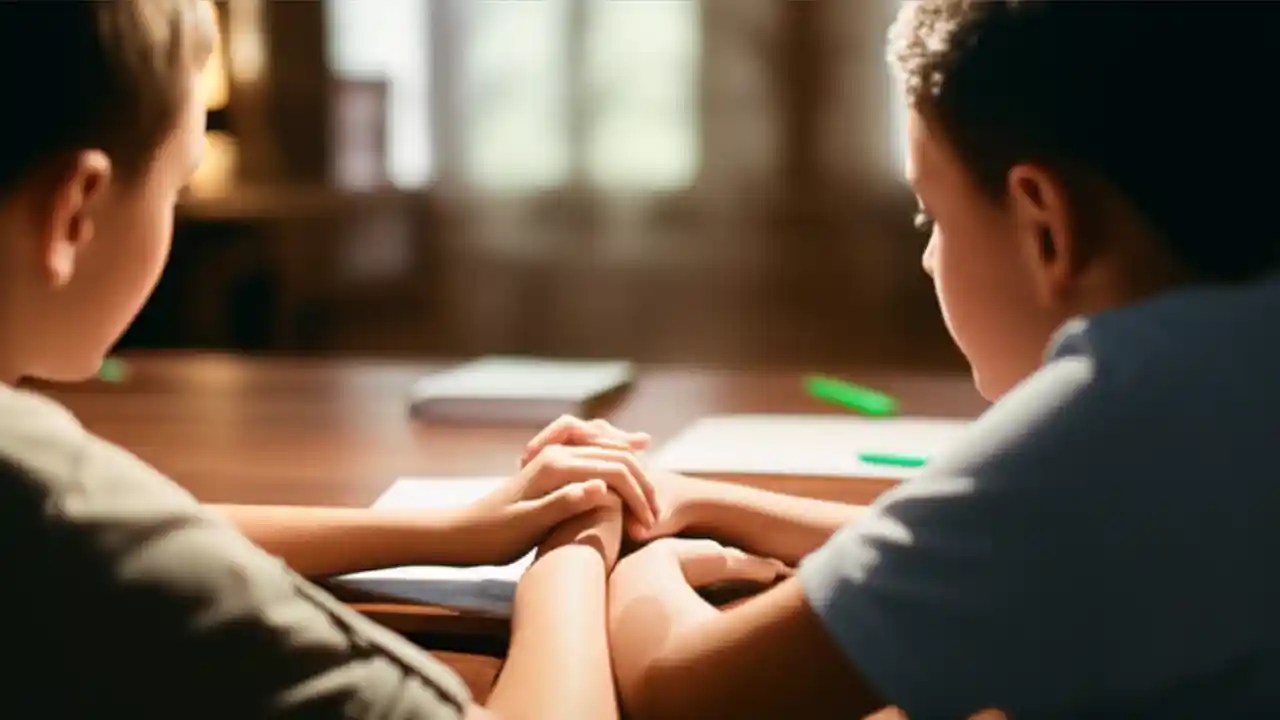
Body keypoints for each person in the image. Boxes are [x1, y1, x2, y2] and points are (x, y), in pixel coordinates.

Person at [0, 2, 781, 718]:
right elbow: (101, 529)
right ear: (75, 212)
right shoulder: (47, 497)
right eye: (177, 187)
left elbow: (160, 528)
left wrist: (446, 532)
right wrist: (575, 550)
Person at [602, 2, 1280, 717]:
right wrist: (706, 503)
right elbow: (1002, 551)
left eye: (933, 215)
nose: (929, 258)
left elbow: (679, 691)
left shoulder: (1133, 410)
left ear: (1046, 227)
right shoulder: (1227, 369)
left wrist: (632, 561)